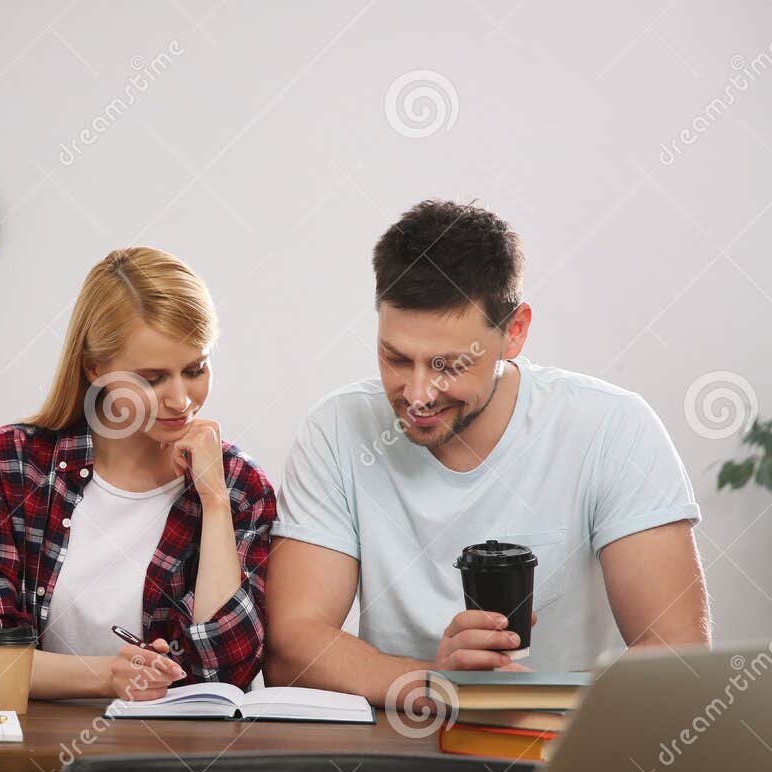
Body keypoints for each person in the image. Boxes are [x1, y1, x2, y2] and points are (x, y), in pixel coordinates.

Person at [264, 200, 709, 706]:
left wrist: (506, 702)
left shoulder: (611, 426)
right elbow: (291, 650)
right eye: (395, 358)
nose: (417, 394)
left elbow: (678, 655)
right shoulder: (337, 428)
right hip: (398, 756)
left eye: (448, 364)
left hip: (562, 756)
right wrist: (437, 682)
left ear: (514, 332)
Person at [0, 247, 275, 702]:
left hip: (176, 761)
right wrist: (108, 676)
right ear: (94, 369)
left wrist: (214, 502)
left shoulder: (241, 487)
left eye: (195, 369)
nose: (180, 399)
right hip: (29, 750)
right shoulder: (4, 465)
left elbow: (224, 674)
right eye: (152, 378)